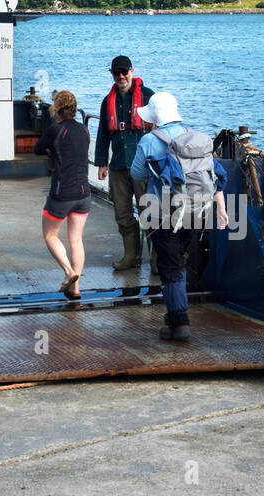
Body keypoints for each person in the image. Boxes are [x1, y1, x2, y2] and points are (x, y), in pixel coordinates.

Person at [129, 92, 227, 341]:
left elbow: (137, 174)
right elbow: (214, 175)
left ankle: (180, 321)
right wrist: (223, 209)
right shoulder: (194, 137)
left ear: (155, 117)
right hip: (195, 210)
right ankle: (175, 319)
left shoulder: (149, 140)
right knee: (178, 261)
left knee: (169, 264)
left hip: (161, 212)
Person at [94, 55, 154, 271]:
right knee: (122, 214)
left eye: (124, 72)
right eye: (116, 73)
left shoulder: (148, 96)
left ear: (132, 71)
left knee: (149, 212)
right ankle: (131, 257)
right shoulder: (107, 101)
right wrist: (101, 162)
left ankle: (157, 260)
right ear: (111, 74)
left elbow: (163, 127)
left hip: (144, 167)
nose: (120, 76)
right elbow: (102, 134)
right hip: (118, 165)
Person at [34, 90, 91, 299]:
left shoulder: (54, 129)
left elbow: (38, 149)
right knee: (76, 240)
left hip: (61, 193)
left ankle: (69, 273)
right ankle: (76, 289)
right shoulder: (84, 130)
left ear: (56, 108)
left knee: (50, 235)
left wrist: (51, 150)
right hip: (84, 193)